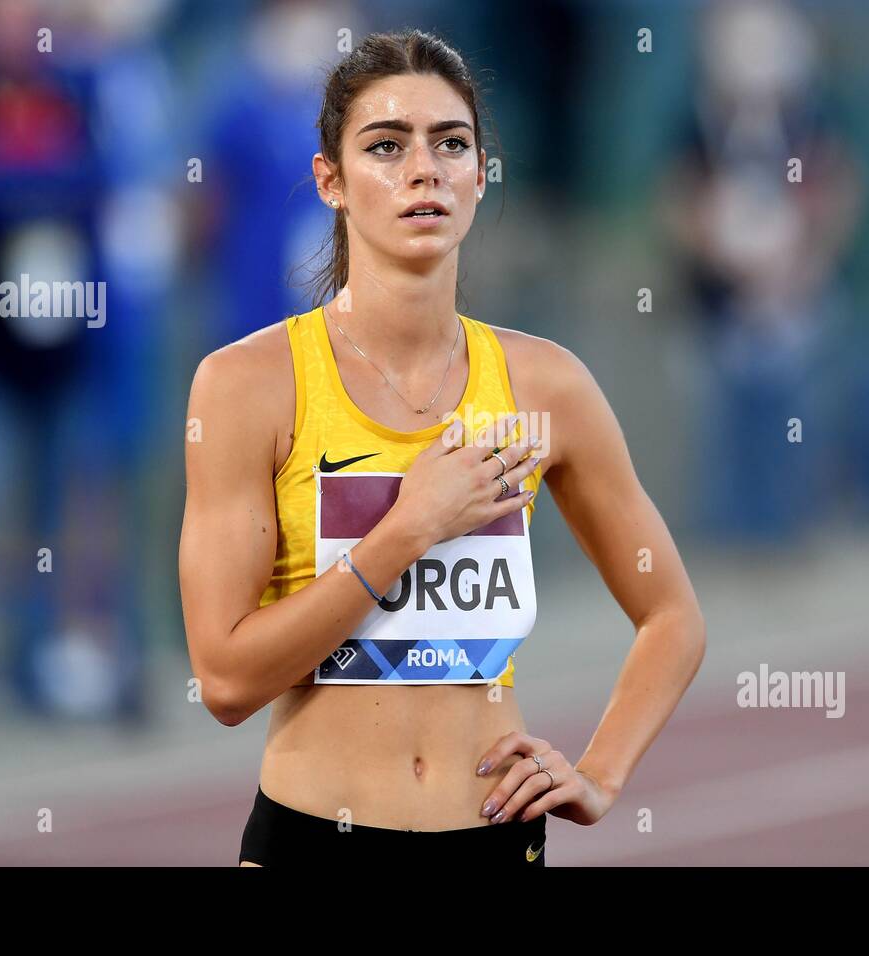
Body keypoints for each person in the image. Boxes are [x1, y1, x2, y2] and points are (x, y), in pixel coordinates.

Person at [178, 29, 705, 867]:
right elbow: (227, 684)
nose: (424, 169)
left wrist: (600, 774)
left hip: (494, 838)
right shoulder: (247, 386)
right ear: (330, 180)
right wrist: (404, 531)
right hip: (316, 840)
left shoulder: (547, 385)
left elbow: (672, 618)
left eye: (451, 144)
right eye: (386, 146)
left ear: (481, 175)